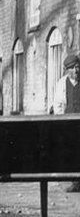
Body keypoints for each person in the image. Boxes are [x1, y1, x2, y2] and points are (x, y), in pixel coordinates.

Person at [52, 54, 80, 192]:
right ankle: (75, 182)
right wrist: (61, 122)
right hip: (69, 123)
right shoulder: (62, 83)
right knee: (72, 152)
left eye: (77, 67)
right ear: (67, 70)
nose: (75, 71)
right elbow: (58, 104)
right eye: (72, 69)